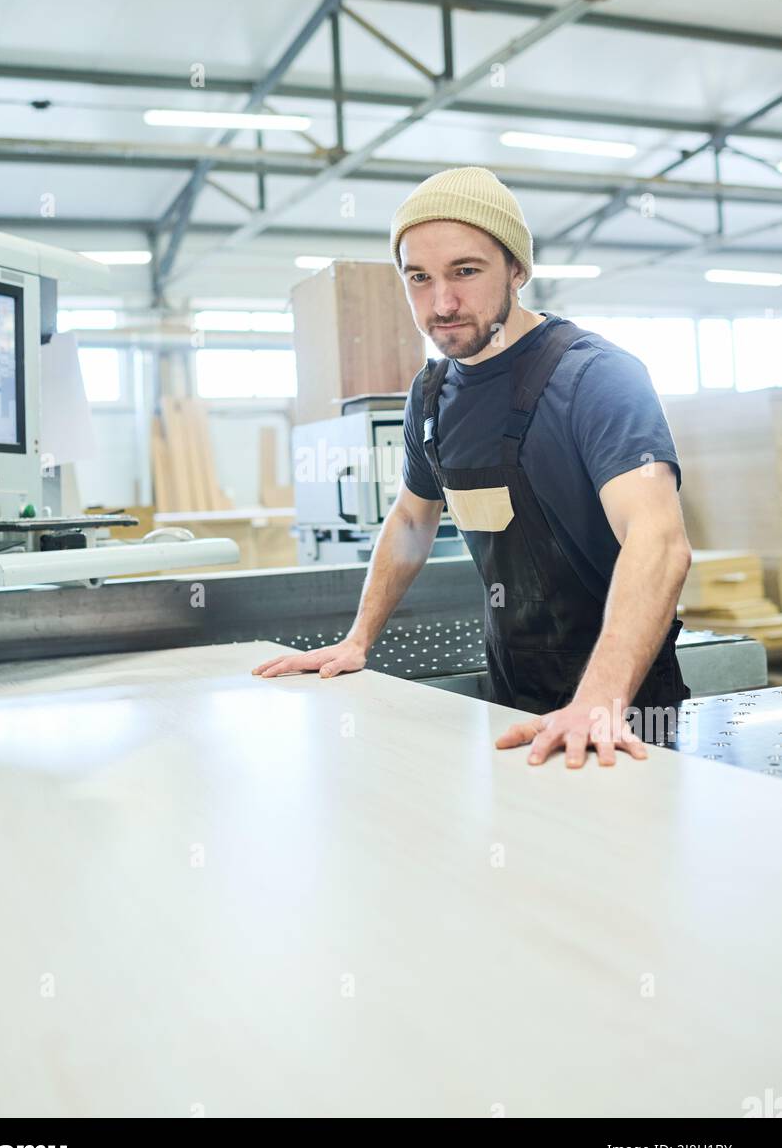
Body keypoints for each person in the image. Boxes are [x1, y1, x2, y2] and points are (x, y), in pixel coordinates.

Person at [254, 167, 692, 768]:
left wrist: (599, 701)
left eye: (465, 271)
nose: (443, 303)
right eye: (419, 278)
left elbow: (659, 540)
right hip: (510, 699)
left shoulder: (597, 378)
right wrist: (358, 641)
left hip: (626, 714)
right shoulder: (431, 396)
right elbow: (411, 519)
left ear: (517, 269)